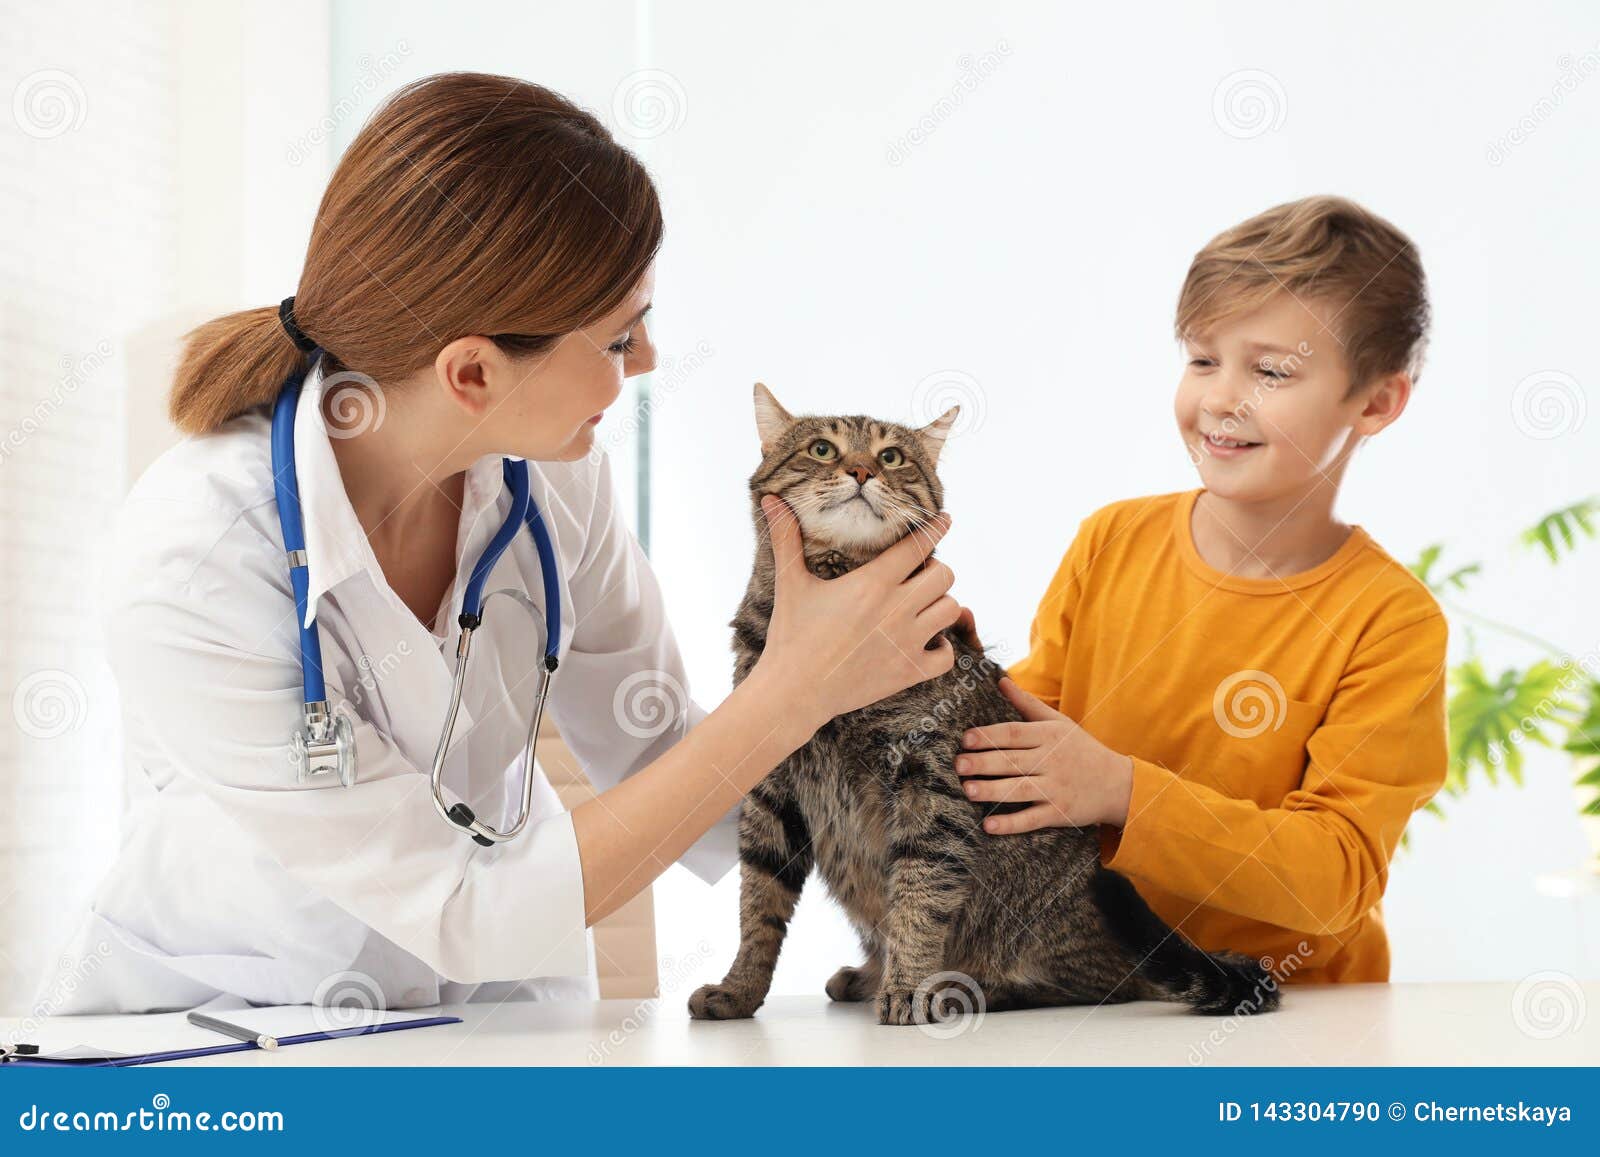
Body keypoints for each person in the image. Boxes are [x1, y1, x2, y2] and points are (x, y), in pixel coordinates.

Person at [35, 72, 963, 1014]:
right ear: (472, 370)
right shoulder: (193, 565)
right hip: (224, 1035)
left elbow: (664, 757)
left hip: (492, 1020)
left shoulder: (551, 476)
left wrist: (951, 766)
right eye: (618, 338)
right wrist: (798, 684)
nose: (645, 362)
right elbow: (466, 903)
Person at [960, 195, 1447, 984]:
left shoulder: (1389, 621)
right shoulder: (1110, 542)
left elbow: (1338, 874)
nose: (1220, 398)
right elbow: (1026, 758)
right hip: (1108, 998)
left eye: (1271, 370)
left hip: (1296, 1018)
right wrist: (953, 691)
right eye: (1201, 358)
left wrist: (1122, 791)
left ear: (1377, 401)